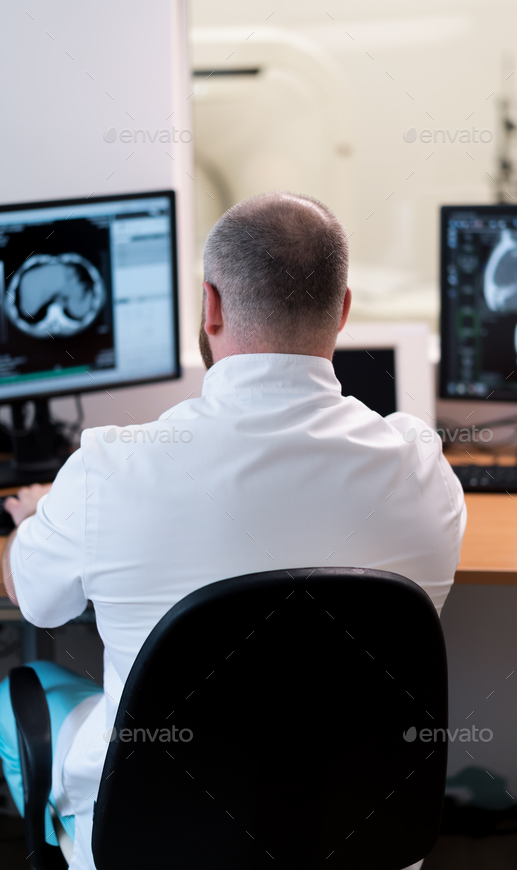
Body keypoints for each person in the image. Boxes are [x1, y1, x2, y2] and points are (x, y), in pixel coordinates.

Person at [0, 191, 466, 870]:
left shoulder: (111, 467)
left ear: (210, 305)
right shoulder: (422, 467)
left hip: (148, 843)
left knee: (25, 691)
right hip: (354, 837)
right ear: (342, 310)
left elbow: (35, 600)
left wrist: (30, 520)